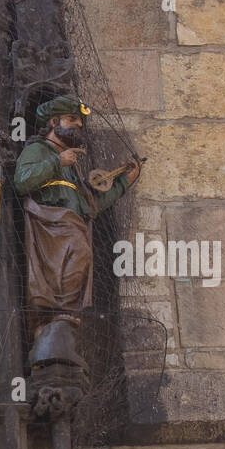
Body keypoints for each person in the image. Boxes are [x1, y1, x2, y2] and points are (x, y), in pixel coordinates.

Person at [14, 95, 141, 364]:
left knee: (80, 258)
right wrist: (58, 162)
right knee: (74, 258)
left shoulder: (71, 165)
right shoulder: (39, 150)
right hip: (49, 226)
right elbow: (22, 182)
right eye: (72, 120)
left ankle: (63, 317)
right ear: (53, 122)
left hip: (72, 224)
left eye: (80, 123)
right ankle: (51, 319)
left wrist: (124, 182)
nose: (77, 126)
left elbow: (91, 205)